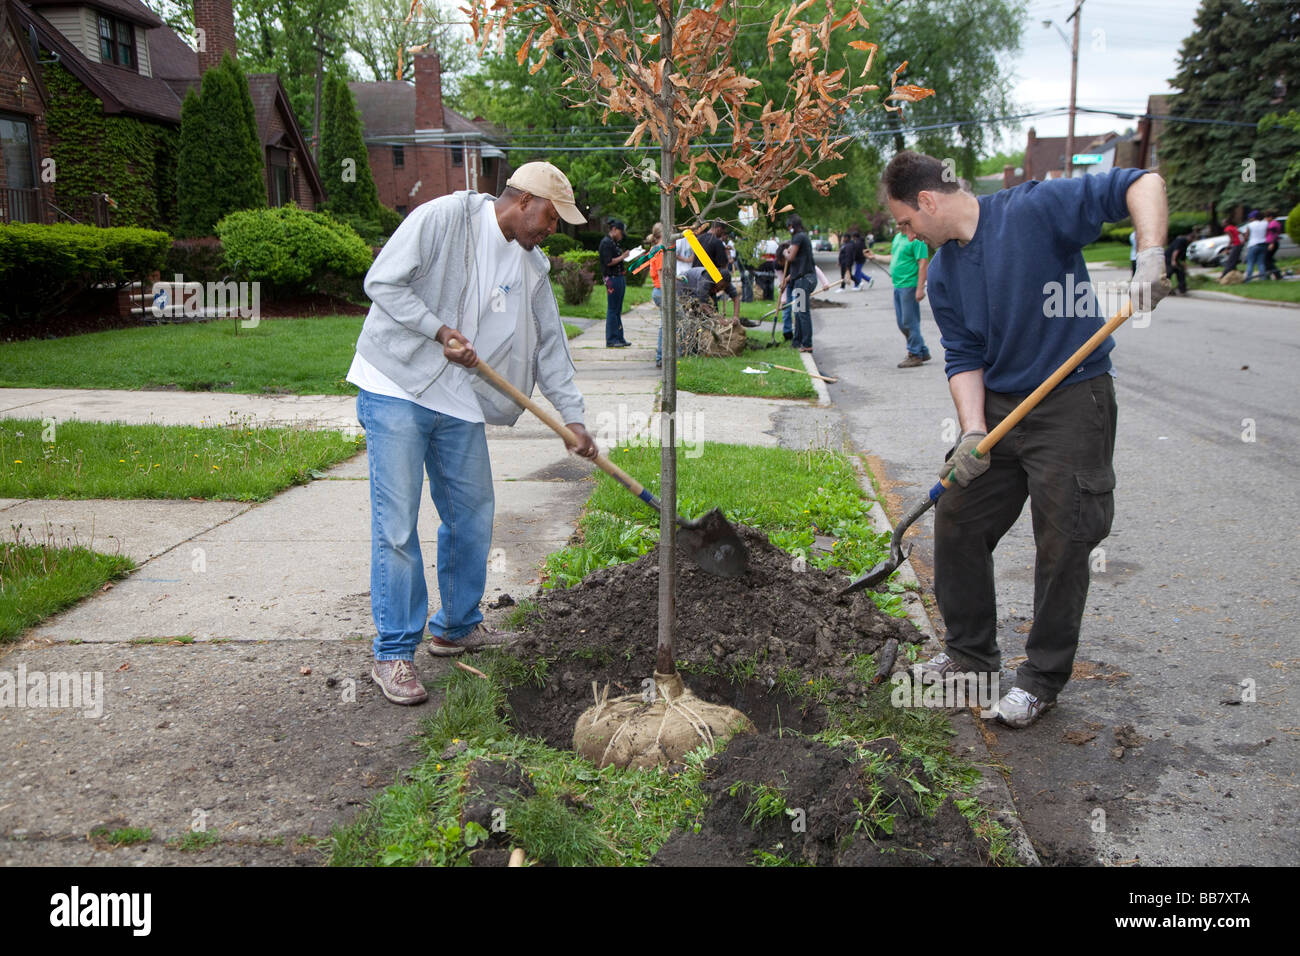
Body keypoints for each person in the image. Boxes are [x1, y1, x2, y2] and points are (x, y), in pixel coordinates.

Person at [879, 150, 1171, 728]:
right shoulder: (943, 273)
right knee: (959, 517)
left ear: (928, 201)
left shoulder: (1036, 209)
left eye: (906, 222)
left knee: (1064, 537)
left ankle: (1040, 678)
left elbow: (1143, 182)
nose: (907, 234)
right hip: (1000, 409)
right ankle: (970, 656)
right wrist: (972, 432)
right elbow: (962, 357)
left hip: (1072, 398)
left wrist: (1152, 254)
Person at [347, 161, 599, 705]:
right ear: (524, 199)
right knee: (396, 525)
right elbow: (382, 281)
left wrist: (573, 417)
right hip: (396, 383)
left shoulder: (532, 266)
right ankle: (393, 653)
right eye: (551, 218)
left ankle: (456, 626)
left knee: (472, 513)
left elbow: (551, 344)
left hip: (457, 398)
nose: (551, 231)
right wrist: (437, 330)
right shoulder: (443, 218)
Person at [866, 224, 931, 367]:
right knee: (902, 323)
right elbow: (894, 257)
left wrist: (920, 288)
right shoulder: (898, 238)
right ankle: (922, 350)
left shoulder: (917, 239)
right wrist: (875, 256)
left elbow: (923, 263)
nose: (896, 221)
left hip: (909, 285)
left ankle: (914, 354)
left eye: (900, 219)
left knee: (909, 321)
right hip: (898, 285)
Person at [783, 214, 817, 353]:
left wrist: (785, 252)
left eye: (789, 227)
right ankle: (797, 341)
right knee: (797, 312)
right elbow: (801, 262)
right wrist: (789, 277)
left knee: (802, 312)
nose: (788, 229)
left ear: (793, 226)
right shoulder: (802, 237)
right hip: (802, 278)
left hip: (804, 280)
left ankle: (807, 344)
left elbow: (791, 257)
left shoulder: (798, 237)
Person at [599, 218, 631, 346]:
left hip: (618, 277)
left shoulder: (613, 243)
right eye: (621, 232)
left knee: (618, 309)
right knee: (612, 309)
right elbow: (608, 262)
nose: (622, 236)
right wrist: (623, 257)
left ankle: (619, 338)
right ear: (614, 229)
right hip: (612, 278)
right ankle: (611, 339)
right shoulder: (606, 243)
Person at [646, 223, 668, 368]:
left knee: (666, 323)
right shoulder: (660, 250)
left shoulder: (654, 249)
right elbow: (661, 272)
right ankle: (661, 356)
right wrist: (667, 293)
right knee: (667, 324)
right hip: (661, 290)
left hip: (657, 290)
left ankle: (663, 355)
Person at [1241, 209, 1270, 282]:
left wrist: (1244, 237)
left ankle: (1248, 279)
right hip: (1263, 244)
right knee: (1261, 263)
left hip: (1253, 244)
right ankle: (1263, 278)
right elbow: (1267, 233)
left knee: (1250, 262)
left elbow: (1246, 237)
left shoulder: (1250, 225)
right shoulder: (1265, 223)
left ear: (1254, 217)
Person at [1166, 229, 1191, 295]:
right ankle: (1166, 289)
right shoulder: (1181, 240)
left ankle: (1182, 290)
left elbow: (1183, 258)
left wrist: (1185, 268)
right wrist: (1173, 261)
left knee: (1181, 273)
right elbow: (1176, 251)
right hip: (1168, 259)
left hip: (1175, 260)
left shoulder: (1185, 243)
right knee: (1168, 274)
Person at [1264, 210, 1284, 281]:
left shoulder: (1273, 224)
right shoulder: (1273, 223)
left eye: (1266, 217)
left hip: (1272, 243)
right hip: (1272, 242)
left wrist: (1271, 243)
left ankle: (1277, 275)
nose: (1265, 219)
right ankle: (1267, 275)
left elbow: (1274, 234)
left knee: (1267, 260)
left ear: (1271, 217)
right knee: (1268, 260)